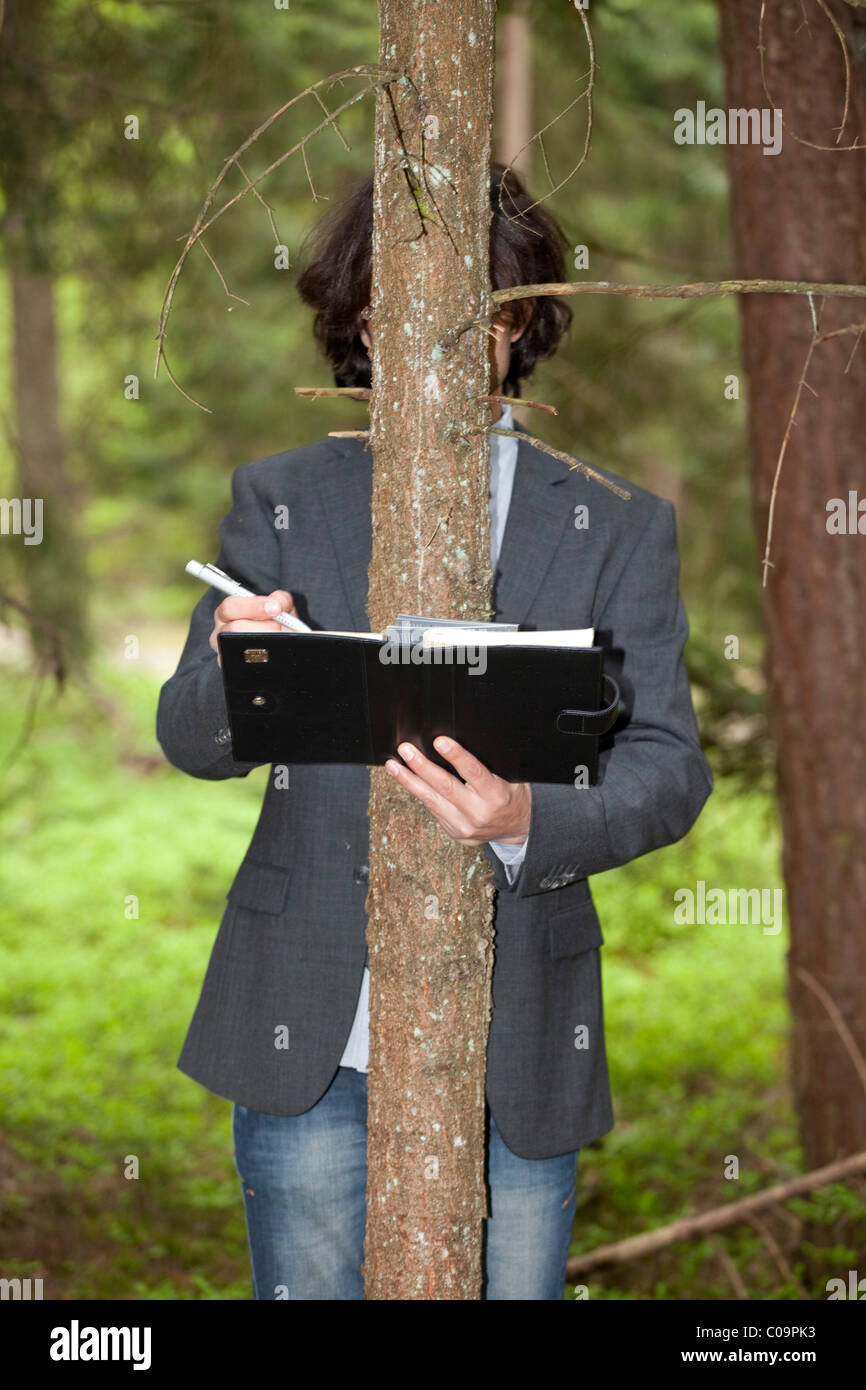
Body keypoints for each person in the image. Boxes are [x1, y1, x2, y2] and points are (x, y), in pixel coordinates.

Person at [156, 164, 713, 1301]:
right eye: (396, 307)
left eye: (488, 311)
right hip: (301, 1021)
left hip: (520, 1035)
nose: (453, 340)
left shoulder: (615, 521)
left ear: (520, 324)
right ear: (359, 320)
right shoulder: (278, 496)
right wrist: (228, 656)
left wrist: (528, 819)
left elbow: (666, 767)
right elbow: (191, 739)